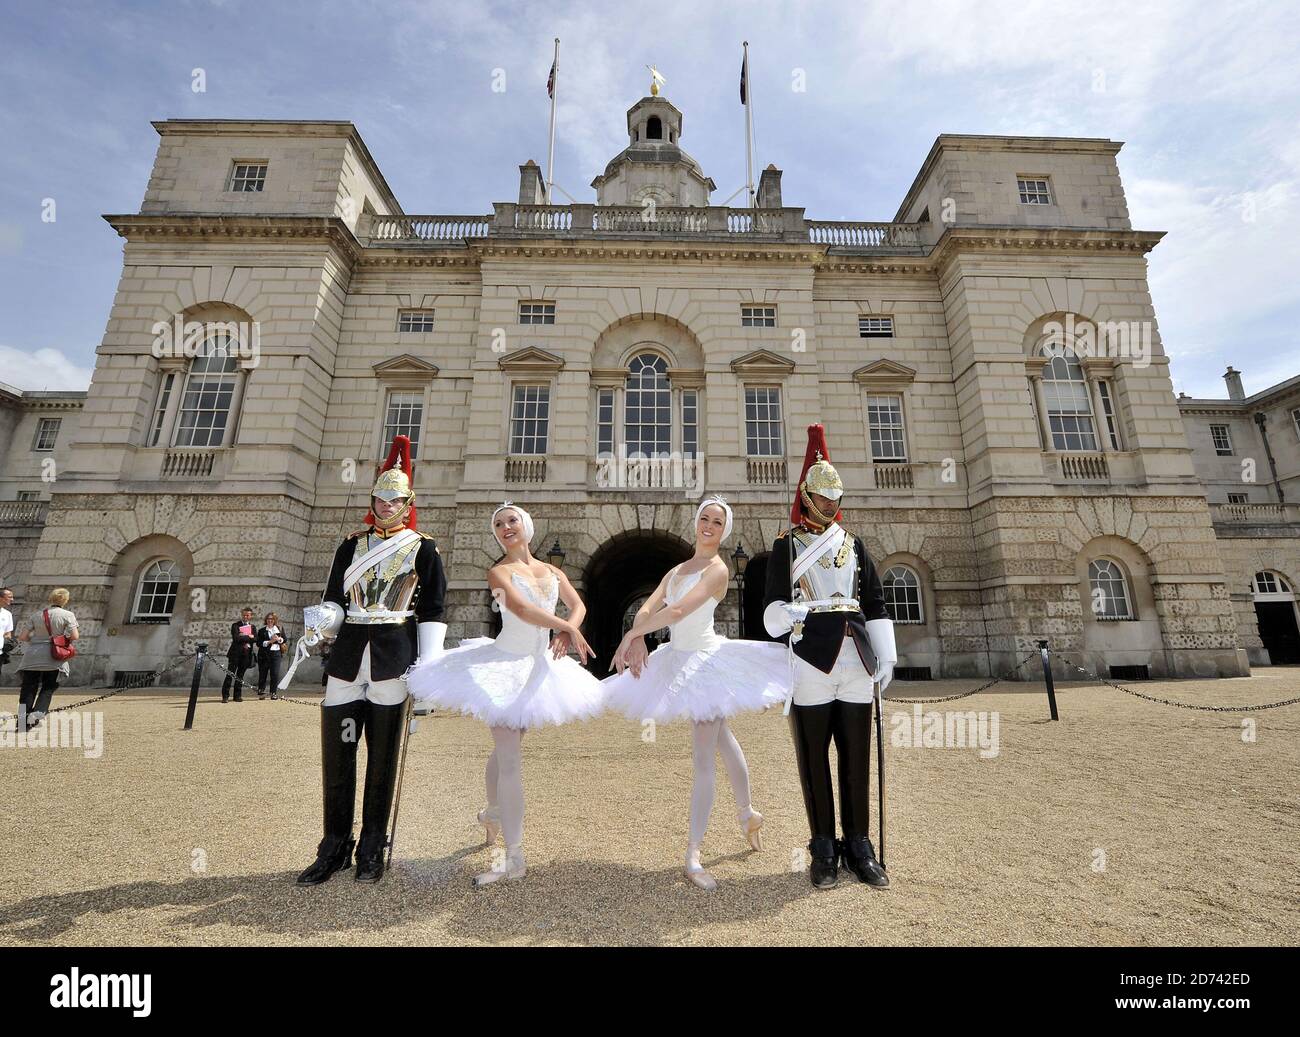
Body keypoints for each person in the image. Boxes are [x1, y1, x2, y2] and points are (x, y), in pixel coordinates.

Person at [405, 501, 605, 888]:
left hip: (540, 667)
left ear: (526, 526)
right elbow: (521, 608)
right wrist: (564, 625)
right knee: (510, 757)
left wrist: (567, 630)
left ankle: (493, 814)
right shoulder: (497, 571)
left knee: (505, 749)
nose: (505, 527)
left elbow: (578, 604)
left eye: (511, 520)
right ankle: (513, 856)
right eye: (498, 524)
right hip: (502, 666)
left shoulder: (553, 570)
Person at [605, 496, 788, 890]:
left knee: (704, 758)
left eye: (717, 522)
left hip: (705, 663)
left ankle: (693, 854)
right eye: (704, 518)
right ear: (696, 522)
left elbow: (676, 612)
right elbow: (648, 606)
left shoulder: (719, 570)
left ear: (725, 530)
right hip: (676, 657)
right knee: (723, 739)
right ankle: (748, 814)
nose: (709, 525)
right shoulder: (677, 569)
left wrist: (632, 637)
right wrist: (637, 637)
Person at [296, 434, 447, 886]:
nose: (385, 505)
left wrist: (429, 672)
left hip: (393, 657)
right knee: (338, 754)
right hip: (347, 658)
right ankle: (334, 844)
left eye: (394, 499)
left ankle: (372, 844)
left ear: (407, 502)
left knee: (382, 759)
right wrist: (320, 622)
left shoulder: (424, 548)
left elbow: (433, 609)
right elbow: (333, 599)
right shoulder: (349, 545)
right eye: (379, 498)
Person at [762, 424, 898, 890]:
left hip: (857, 659)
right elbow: (770, 612)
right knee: (813, 757)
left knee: (857, 755)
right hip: (810, 658)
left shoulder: (854, 543)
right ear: (808, 496)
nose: (831, 506)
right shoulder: (787, 543)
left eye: (835, 499)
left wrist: (888, 657)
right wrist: (792, 612)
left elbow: (874, 602)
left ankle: (859, 843)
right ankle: (823, 845)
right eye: (823, 499)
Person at [15, 587, 79, 730]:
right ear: (65, 600)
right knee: (48, 688)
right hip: (53, 655)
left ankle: (21, 723)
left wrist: (37, 639)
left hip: (32, 655)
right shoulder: (68, 615)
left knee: (27, 689)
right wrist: (59, 638)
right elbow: (74, 636)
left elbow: (23, 637)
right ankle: (35, 717)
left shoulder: (37, 615)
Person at [221, 607, 257, 702]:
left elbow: (255, 639)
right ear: (242, 615)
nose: (246, 616)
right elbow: (236, 639)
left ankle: (237, 696)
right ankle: (225, 695)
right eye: (244, 615)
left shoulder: (253, 627)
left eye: (248, 615)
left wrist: (244, 636)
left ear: (251, 616)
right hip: (235, 654)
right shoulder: (235, 625)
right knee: (230, 674)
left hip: (246, 655)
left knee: (240, 676)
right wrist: (249, 637)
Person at [255, 612, 287, 699]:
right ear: (266, 620)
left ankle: (273, 693)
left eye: (272, 619)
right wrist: (270, 642)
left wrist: (279, 639)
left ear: (275, 620)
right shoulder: (262, 631)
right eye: (268, 619)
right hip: (264, 654)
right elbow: (258, 643)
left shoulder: (279, 629)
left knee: (275, 674)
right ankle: (261, 692)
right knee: (263, 673)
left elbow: (284, 640)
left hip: (276, 654)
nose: (270, 621)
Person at [0, 587, 13, 686]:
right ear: (1, 598)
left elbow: (8, 633)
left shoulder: (7, 614)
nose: (12, 599)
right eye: (9, 597)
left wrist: (8, 642)